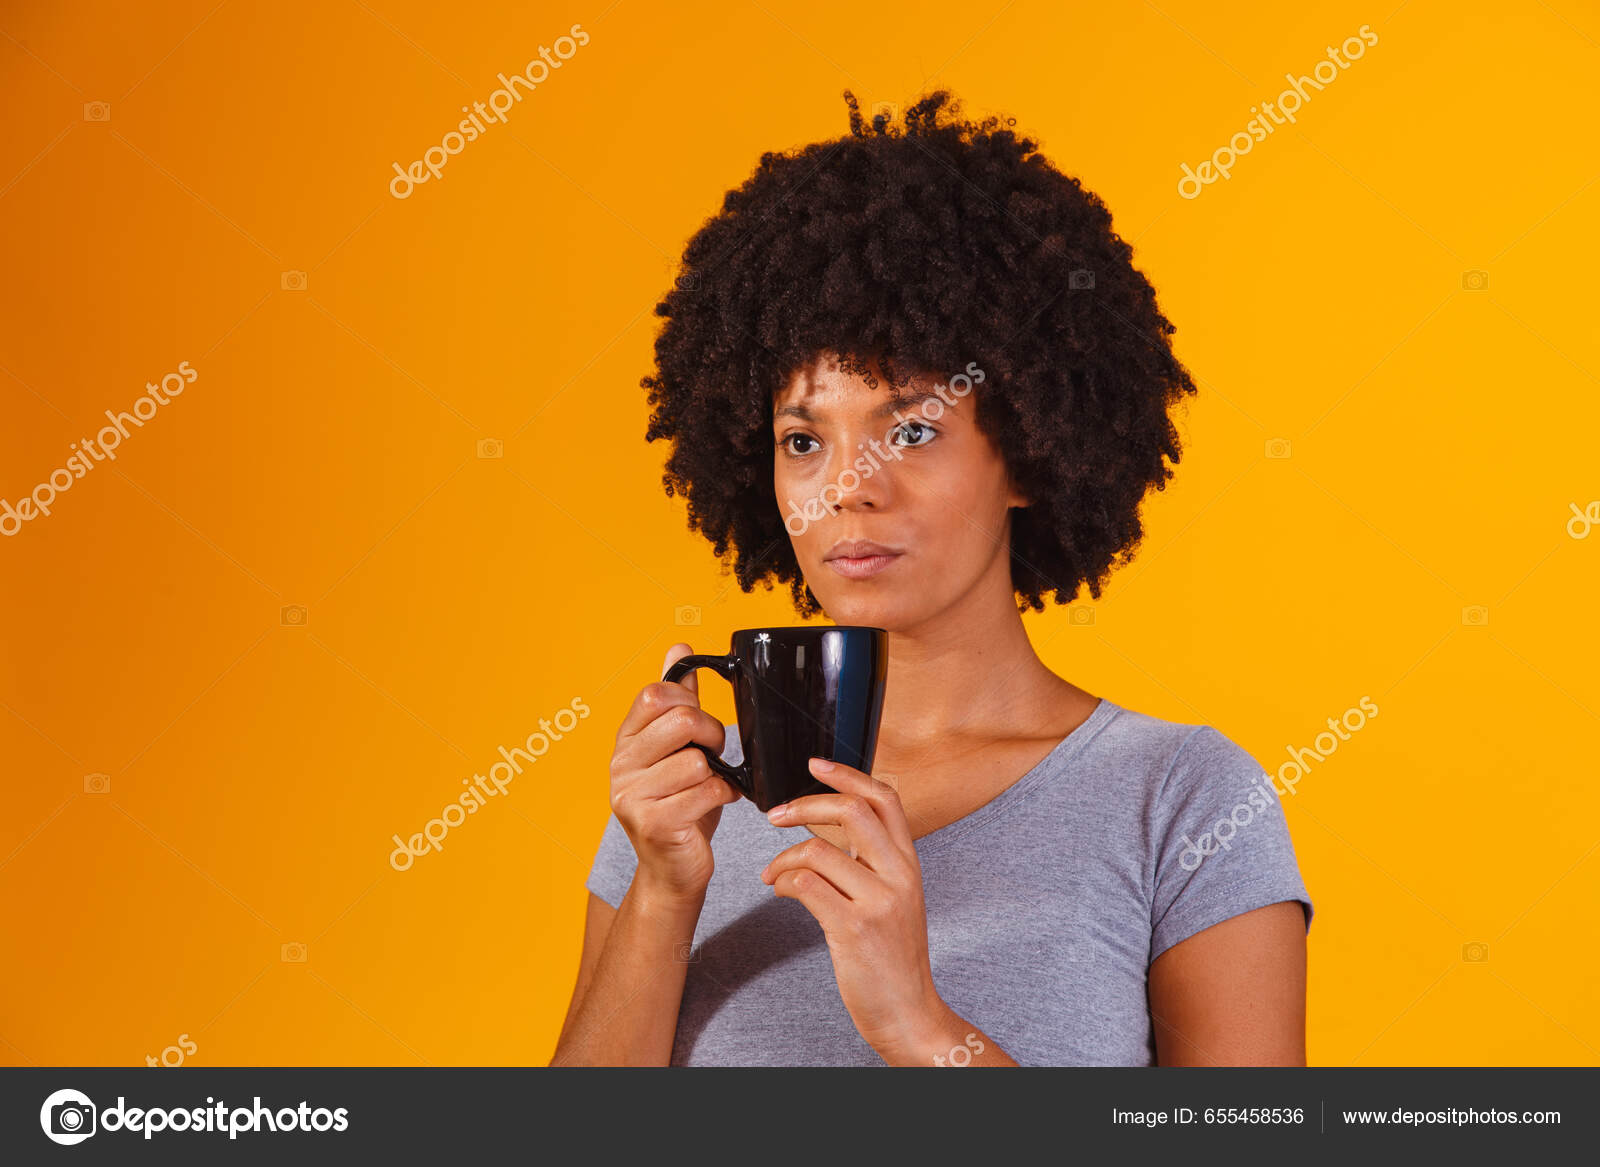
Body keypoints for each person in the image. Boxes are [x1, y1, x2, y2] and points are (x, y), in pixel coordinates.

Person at [551, 89, 1311, 1067]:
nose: (846, 490)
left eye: (910, 429)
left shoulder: (1180, 800)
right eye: (801, 439)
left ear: (1032, 451)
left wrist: (918, 1023)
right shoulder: (685, 804)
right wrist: (661, 888)